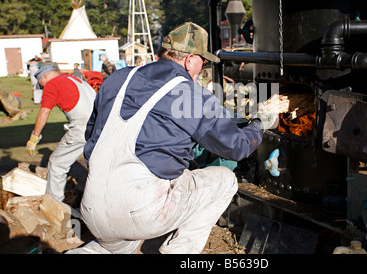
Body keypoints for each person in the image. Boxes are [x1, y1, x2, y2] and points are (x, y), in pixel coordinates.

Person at [66, 22, 279, 254]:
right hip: (141, 210)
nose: (202, 66)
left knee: (113, 247)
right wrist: (260, 122)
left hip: (92, 207)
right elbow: (236, 147)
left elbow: (92, 134)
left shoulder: (117, 79)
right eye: (202, 61)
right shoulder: (190, 94)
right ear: (189, 59)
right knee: (225, 180)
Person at [25, 64, 96, 202]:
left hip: (81, 126)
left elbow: (44, 111)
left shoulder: (52, 84)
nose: (44, 88)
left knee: (57, 164)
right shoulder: (76, 80)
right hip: (99, 125)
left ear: (44, 77)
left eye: (42, 84)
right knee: (95, 165)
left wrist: (34, 137)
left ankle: (53, 204)